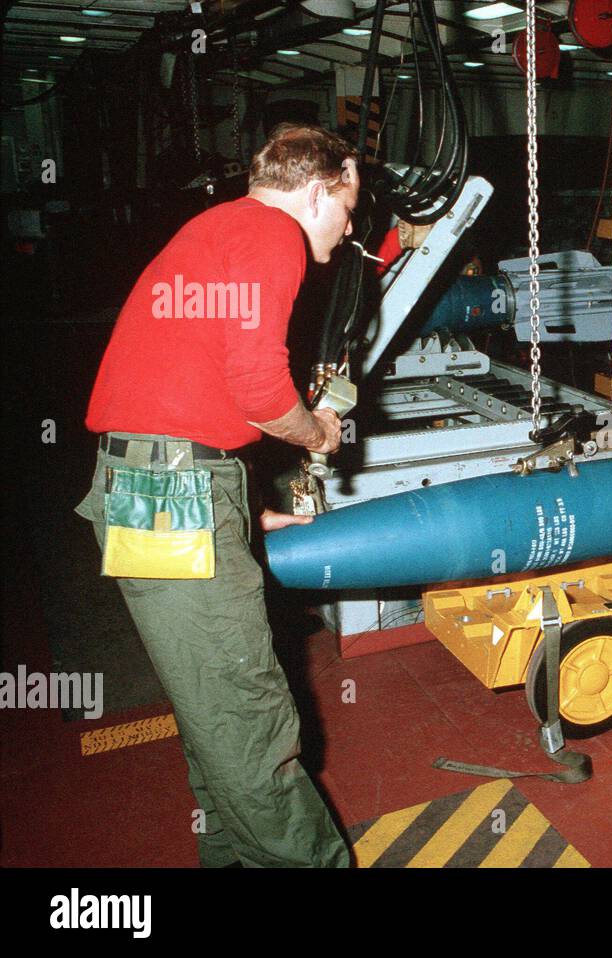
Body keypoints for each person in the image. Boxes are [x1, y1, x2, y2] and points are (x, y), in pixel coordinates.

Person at [75, 123, 359, 867]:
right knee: (244, 715)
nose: (351, 225)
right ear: (315, 190)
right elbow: (263, 393)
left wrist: (231, 501)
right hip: (173, 484)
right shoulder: (273, 235)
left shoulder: (216, 228)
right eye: (348, 206)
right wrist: (318, 433)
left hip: (162, 481)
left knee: (215, 715)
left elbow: (189, 393)